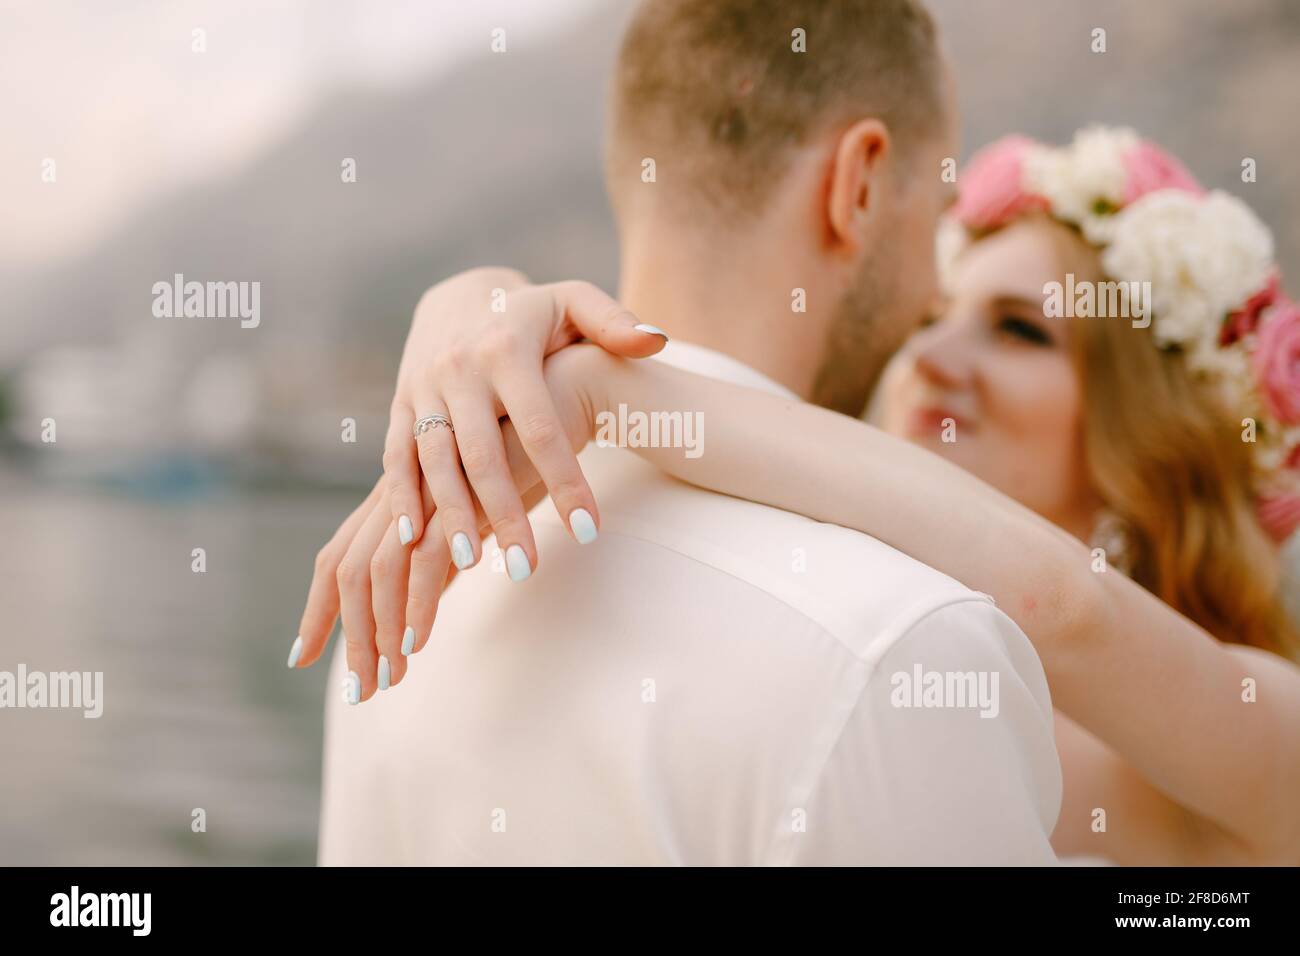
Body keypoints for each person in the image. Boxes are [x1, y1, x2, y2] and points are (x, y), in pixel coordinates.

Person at [307, 125, 1300, 865]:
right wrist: (474, 309)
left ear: (1153, 443)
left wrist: (615, 392)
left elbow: (1065, 605)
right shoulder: (833, 621)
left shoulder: (1259, 732)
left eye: (1019, 330)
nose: (933, 356)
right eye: (933, 314)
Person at [297, 0, 1066, 865]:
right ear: (858, 184)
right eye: (939, 213)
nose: (935, 302)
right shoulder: (904, 644)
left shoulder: (400, 581)